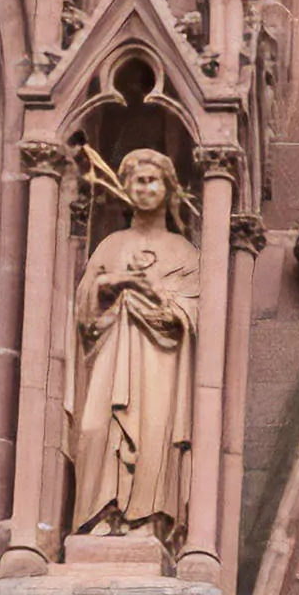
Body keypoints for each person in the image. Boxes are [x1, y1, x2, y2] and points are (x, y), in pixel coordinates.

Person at [71, 148, 200, 537]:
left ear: (168, 189)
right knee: (96, 429)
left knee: (152, 432)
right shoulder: (111, 245)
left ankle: (145, 521)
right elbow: (83, 307)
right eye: (137, 182)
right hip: (111, 355)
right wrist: (118, 283)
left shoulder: (184, 251)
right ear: (126, 189)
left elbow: (194, 306)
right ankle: (100, 514)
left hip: (159, 361)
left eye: (152, 181)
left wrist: (167, 301)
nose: (145, 189)